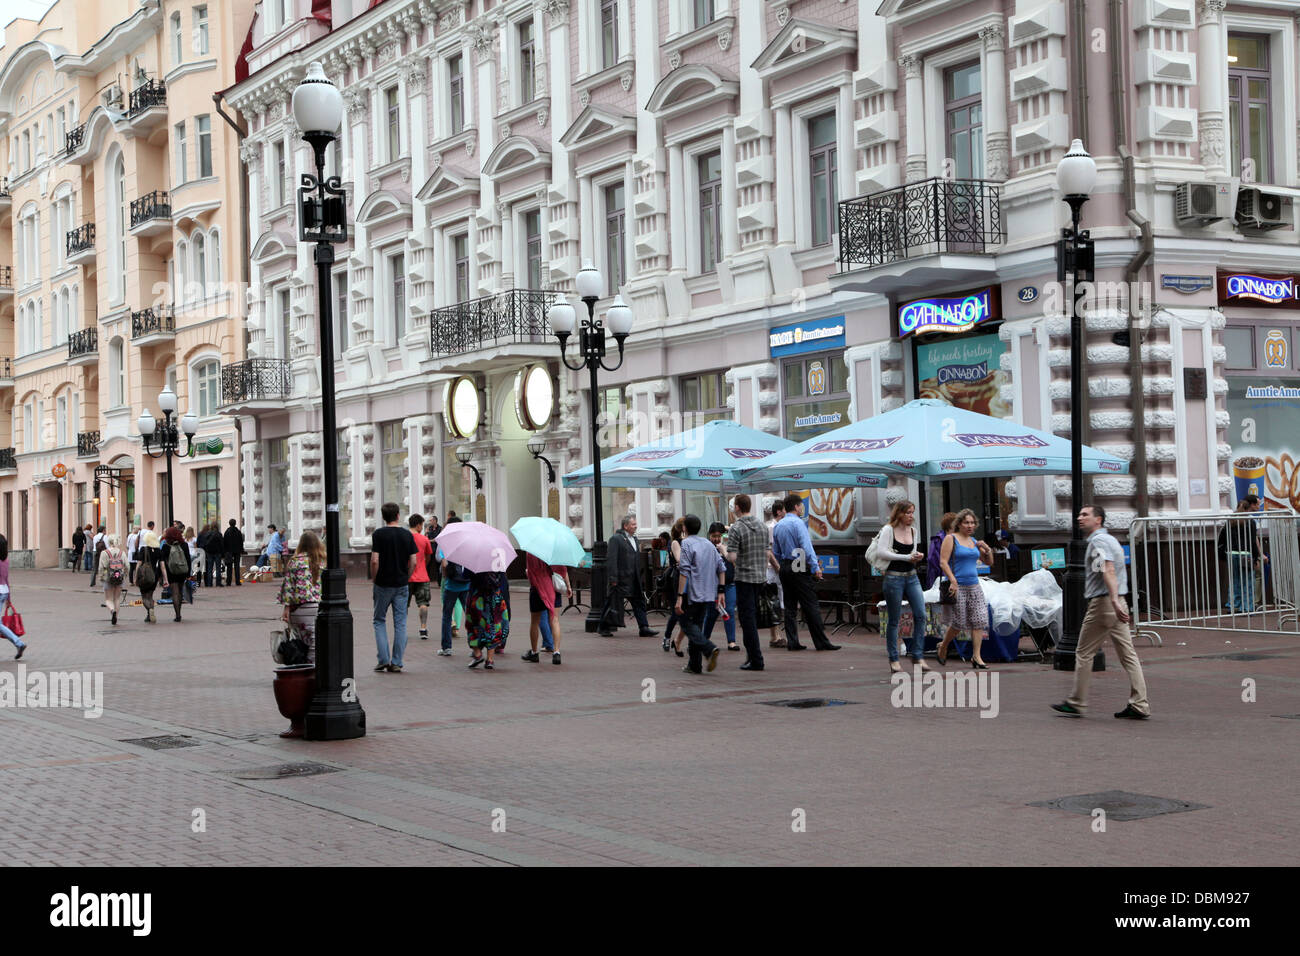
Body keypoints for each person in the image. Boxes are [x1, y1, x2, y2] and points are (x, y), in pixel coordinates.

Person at [1053, 505, 1151, 719]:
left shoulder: (1098, 541)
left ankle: (1077, 701)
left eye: (1085, 515)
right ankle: (1140, 703)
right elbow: (1107, 569)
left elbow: (1108, 569)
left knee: (1083, 652)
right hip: (1117, 601)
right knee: (1128, 655)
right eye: (1079, 514)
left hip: (1104, 603)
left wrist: (1113, 600)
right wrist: (1118, 601)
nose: (1079, 518)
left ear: (1098, 519)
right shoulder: (1112, 540)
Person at [771, 494, 841, 652]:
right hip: (798, 564)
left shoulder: (779, 525)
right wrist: (815, 567)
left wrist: (783, 563)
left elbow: (776, 551)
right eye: (801, 505)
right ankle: (821, 642)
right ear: (796, 507)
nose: (802, 508)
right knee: (810, 605)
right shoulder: (798, 523)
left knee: (789, 606)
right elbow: (806, 547)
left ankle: (793, 642)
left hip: (785, 566)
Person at [878, 500, 934, 674]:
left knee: (921, 614)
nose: (911, 516)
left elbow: (912, 553)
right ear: (899, 513)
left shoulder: (913, 531)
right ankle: (893, 659)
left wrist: (918, 556)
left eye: (912, 512)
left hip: (912, 577)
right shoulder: (888, 529)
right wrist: (906, 557)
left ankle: (917, 654)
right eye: (908, 512)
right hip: (893, 578)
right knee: (894, 620)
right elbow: (881, 552)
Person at [726, 494, 780, 672]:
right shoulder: (762, 526)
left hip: (744, 579)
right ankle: (752, 656)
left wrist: (723, 550)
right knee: (753, 617)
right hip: (760, 577)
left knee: (747, 620)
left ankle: (756, 659)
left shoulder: (736, 528)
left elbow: (732, 557)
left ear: (737, 508)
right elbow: (767, 553)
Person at [935, 509, 994, 668]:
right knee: (958, 624)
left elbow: (989, 562)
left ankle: (976, 656)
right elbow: (943, 562)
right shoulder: (951, 538)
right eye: (966, 522)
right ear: (959, 524)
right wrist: (953, 580)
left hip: (974, 585)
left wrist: (987, 550)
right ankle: (943, 645)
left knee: (979, 620)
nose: (970, 526)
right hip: (957, 586)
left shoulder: (974, 541)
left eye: (972, 523)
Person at [675, 514, 727, 674]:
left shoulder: (687, 544)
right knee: (697, 625)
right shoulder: (708, 544)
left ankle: (708, 648)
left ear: (684, 528)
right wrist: (721, 591)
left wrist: (679, 596)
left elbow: (684, 571)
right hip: (708, 592)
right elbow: (721, 568)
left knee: (686, 623)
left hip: (692, 593)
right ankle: (694, 664)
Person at [370, 502, 417, 673]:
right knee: (400, 623)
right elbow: (414, 561)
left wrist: (375, 578)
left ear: (383, 517)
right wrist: (407, 575)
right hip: (401, 584)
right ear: (398, 515)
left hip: (383, 584)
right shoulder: (407, 535)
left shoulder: (378, 534)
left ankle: (383, 659)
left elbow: (375, 560)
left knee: (379, 620)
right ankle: (396, 661)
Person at [601, 514, 658, 638]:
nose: (636, 526)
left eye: (635, 524)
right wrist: (613, 578)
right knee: (613, 602)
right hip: (621, 578)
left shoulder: (635, 539)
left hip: (634, 578)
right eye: (633, 524)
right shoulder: (616, 539)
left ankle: (644, 627)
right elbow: (612, 559)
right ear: (625, 526)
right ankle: (604, 627)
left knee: (639, 602)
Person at [279, 530, 325, 663]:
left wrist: (286, 609)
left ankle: (303, 670)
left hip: (299, 608)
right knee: (315, 643)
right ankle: (313, 670)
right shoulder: (323, 561)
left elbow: (288, 587)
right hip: (319, 607)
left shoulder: (294, 561)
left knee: (300, 642)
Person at [1218, 495, 1268, 613]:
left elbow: (1223, 538)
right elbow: (1252, 541)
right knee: (1248, 581)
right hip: (1246, 555)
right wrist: (1256, 558)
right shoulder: (1249, 522)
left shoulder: (1231, 521)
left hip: (1231, 553)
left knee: (1235, 580)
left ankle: (1233, 605)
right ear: (1248, 507)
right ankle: (1247, 607)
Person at [523, 552, 569, 665]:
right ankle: (556, 652)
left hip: (537, 589)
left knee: (535, 622)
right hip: (554, 589)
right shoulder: (555, 550)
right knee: (555, 620)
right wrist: (568, 586)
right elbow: (563, 571)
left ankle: (534, 653)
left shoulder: (531, 551)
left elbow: (529, 573)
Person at [702, 522, 738, 651]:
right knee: (711, 613)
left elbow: (734, 562)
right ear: (709, 535)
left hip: (729, 584)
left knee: (728, 610)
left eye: (719, 535)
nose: (716, 539)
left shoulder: (728, 546)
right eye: (713, 536)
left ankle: (731, 641)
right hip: (712, 586)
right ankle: (704, 639)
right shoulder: (707, 548)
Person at [466, 569, 511, 670]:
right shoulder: (498, 559)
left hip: (477, 598)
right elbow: (503, 581)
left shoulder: (474, 559)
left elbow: (465, 576)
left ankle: (477, 654)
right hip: (496, 597)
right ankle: (490, 660)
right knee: (494, 626)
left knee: (473, 626)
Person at [406, 514, 434, 641]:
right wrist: (422, 565)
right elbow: (428, 556)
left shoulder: (404, 538)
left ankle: (402, 628)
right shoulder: (424, 539)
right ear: (418, 525)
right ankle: (423, 628)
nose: (422, 528)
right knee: (423, 603)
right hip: (422, 576)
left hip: (406, 577)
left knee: (403, 605)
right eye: (422, 525)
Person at [0, 534, 27, 659]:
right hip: (4, 591)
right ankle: (18, 644)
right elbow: (6, 579)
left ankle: (18, 643)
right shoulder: (5, 560)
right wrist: (9, 599)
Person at [765, 500, 787, 648]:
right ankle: (775, 635)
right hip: (773, 569)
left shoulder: (769, 526)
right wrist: (778, 567)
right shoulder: (773, 527)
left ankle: (776, 634)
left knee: (775, 602)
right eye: (785, 510)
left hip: (772, 569)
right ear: (779, 511)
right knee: (775, 602)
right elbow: (771, 551)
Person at [664, 518, 686, 655]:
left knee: (686, 611)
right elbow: (679, 559)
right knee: (676, 611)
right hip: (675, 578)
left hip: (686, 577)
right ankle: (667, 637)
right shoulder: (675, 542)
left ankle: (679, 640)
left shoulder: (688, 541)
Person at [159, 525, 191, 622]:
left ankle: (178, 615)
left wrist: (161, 576)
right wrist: (188, 573)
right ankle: (179, 611)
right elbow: (188, 559)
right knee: (180, 591)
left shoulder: (165, 546)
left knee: (175, 593)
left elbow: (162, 561)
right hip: (182, 571)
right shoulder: (184, 545)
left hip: (171, 572)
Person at [98, 534, 128, 626]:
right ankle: (116, 616)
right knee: (117, 598)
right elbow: (127, 566)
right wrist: (125, 575)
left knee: (108, 599)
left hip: (108, 578)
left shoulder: (104, 553)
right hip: (119, 578)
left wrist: (101, 577)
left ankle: (112, 610)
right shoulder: (121, 553)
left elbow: (101, 567)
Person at [926, 512, 957, 590]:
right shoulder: (938, 540)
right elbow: (933, 560)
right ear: (950, 525)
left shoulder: (957, 538)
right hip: (941, 578)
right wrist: (947, 575)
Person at [136, 540, 159, 624]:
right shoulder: (157, 550)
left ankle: (149, 611)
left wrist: (136, 578)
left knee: (144, 597)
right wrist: (165, 579)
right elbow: (162, 566)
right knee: (150, 596)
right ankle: (150, 612)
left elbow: (138, 564)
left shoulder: (143, 549)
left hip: (144, 576)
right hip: (154, 575)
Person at [224, 518, 245, 586]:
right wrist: (241, 550)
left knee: (229, 567)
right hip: (237, 551)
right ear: (235, 523)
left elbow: (225, 542)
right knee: (237, 566)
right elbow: (241, 542)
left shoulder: (227, 532)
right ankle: (237, 581)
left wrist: (225, 551)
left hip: (229, 551)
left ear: (229, 523)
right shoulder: (238, 532)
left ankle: (228, 582)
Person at [203, 521, 225, 587]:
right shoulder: (219, 534)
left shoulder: (207, 533)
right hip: (217, 553)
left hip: (209, 553)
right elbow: (222, 545)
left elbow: (205, 544)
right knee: (218, 568)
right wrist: (222, 553)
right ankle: (218, 583)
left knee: (210, 568)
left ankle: (209, 583)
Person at [426, 513, 443, 587]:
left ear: (435, 521)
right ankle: (427, 581)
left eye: (431, 520)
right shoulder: (429, 528)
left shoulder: (440, 528)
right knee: (428, 565)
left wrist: (429, 540)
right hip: (429, 549)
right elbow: (426, 537)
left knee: (437, 565)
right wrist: (426, 532)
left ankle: (439, 582)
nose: (430, 522)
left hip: (437, 549)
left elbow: (438, 539)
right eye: (430, 520)